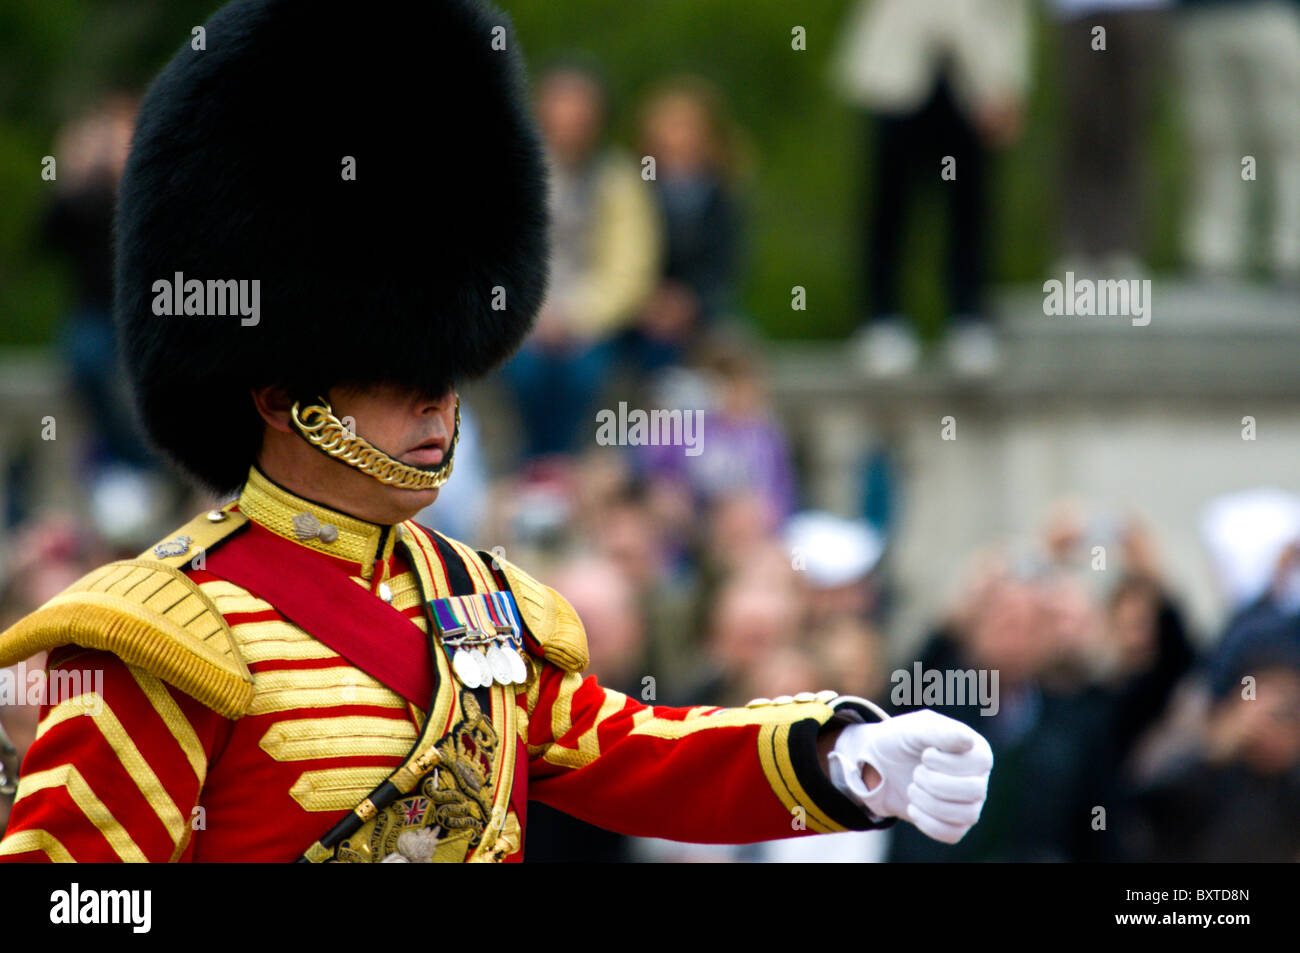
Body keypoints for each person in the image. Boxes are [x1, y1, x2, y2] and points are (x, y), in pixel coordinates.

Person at [0, 0, 991, 863]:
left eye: (444, 376)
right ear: (278, 394)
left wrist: (841, 756)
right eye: (398, 381)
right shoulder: (164, 633)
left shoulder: (482, 604)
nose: (438, 406)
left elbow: (639, 756)